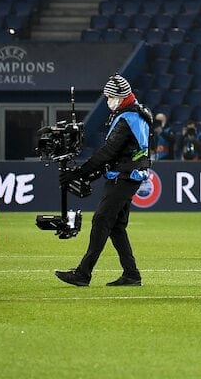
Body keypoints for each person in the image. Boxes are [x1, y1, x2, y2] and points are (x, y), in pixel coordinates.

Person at [54, 74, 152, 288]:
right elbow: (117, 153)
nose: (107, 100)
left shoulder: (126, 118)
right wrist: (89, 173)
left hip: (123, 177)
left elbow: (108, 152)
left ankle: (83, 273)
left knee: (101, 220)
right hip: (129, 175)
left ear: (119, 96)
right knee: (116, 226)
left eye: (109, 96)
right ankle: (131, 274)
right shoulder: (136, 113)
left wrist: (79, 172)